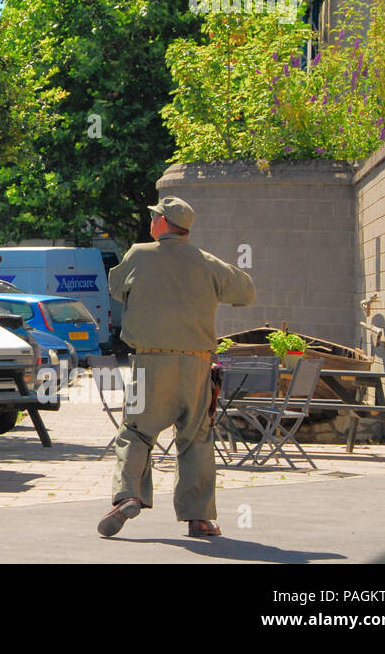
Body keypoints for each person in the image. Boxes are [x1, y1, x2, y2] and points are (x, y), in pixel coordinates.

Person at [97, 195, 255, 539]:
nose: (151, 221)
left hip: (150, 363)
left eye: (155, 217)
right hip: (197, 364)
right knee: (196, 438)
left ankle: (128, 495)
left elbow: (116, 288)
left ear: (164, 223)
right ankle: (198, 519)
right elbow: (246, 292)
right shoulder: (208, 261)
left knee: (136, 432)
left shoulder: (139, 254)